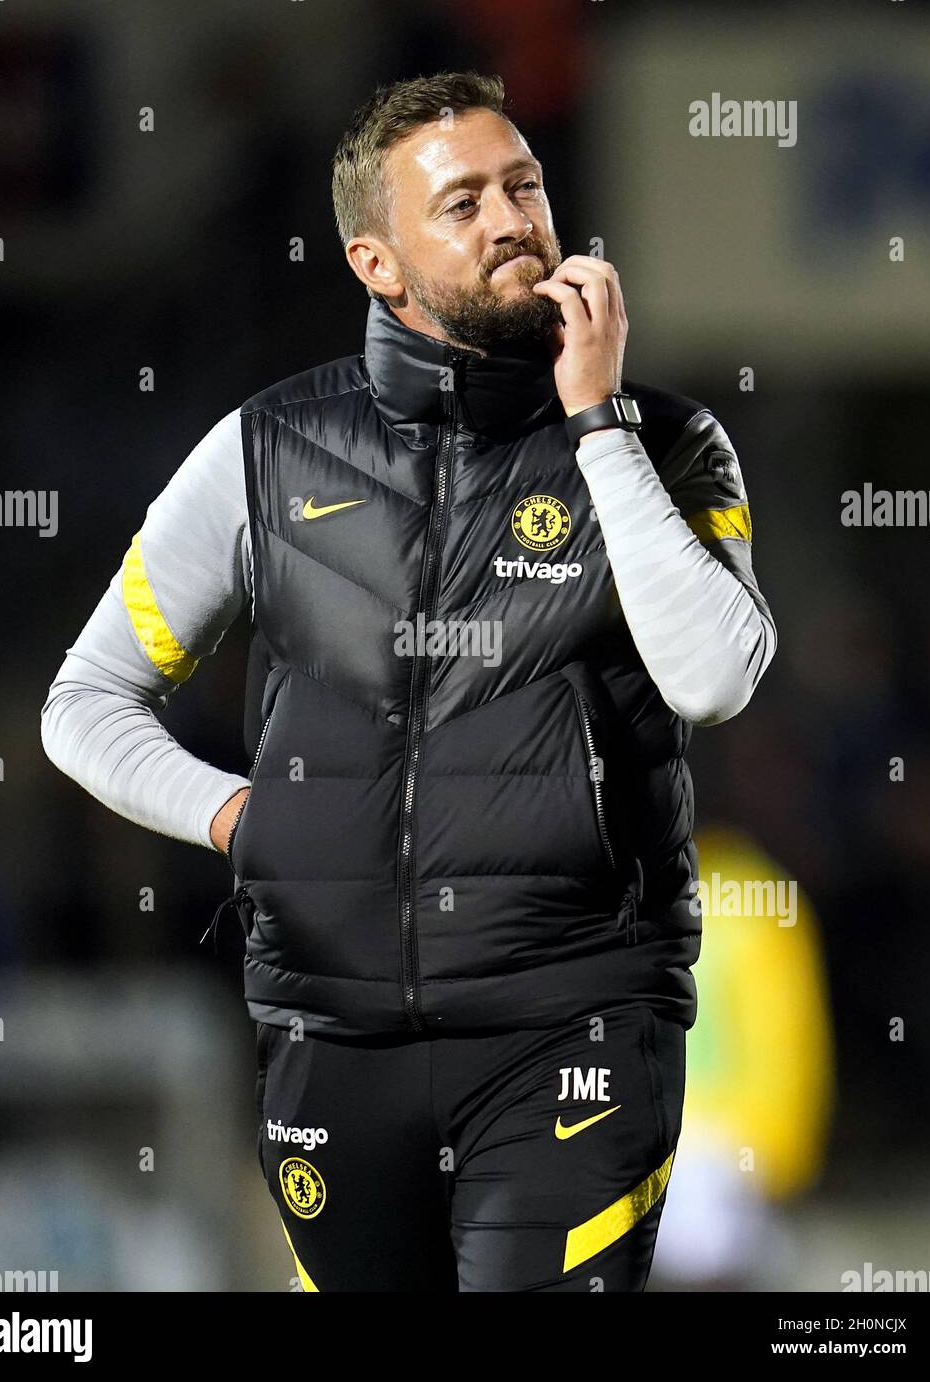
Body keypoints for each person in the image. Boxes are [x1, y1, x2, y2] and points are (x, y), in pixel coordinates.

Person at [41, 70, 777, 1292]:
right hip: (328, 1041)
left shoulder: (669, 441)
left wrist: (597, 426)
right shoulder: (264, 451)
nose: (511, 221)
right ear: (377, 264)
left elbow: (711, 680)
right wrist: (237, 816)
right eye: (463, 203)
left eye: (524, 186)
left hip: (574, 1030)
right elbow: (85, 703)